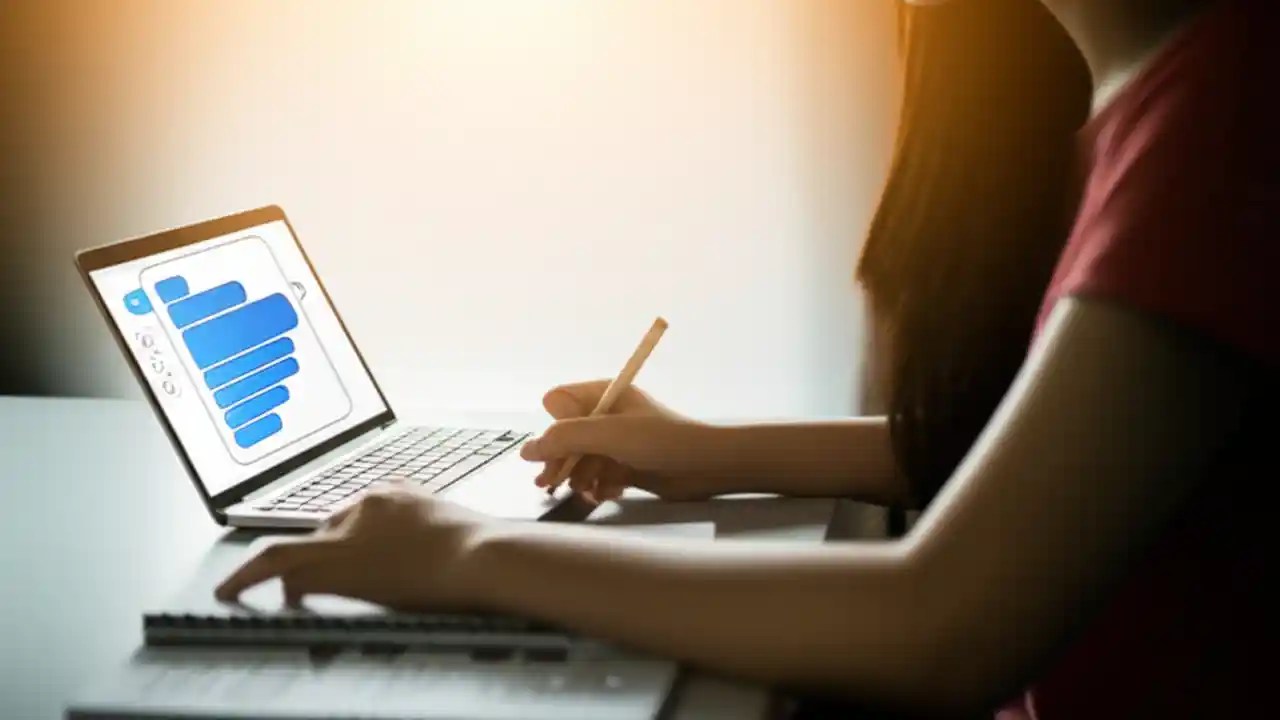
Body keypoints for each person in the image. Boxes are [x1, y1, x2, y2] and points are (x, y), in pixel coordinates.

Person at [217, 0, 1277, 716]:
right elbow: (1056, 469)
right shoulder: (1146, 90)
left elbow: (942, 625)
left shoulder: (1225, 100)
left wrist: (465, 558)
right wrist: (703, 451)